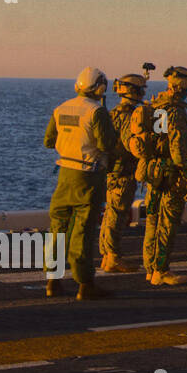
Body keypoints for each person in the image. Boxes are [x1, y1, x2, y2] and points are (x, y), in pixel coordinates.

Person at [43, 68, 118, 300]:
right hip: (88, 176)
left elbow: (48, 141)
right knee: (83, 230)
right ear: (101, 88)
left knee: (58, 229)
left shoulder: (61, 108)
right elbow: (107, 145)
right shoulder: (97, 112)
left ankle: (52, 282)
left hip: (64, 174)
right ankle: (85, 284)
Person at [132, 66, 187, 285]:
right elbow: (178, 151)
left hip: (153, 172)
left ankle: (150, 268)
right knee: (168, 223)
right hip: (171, 174)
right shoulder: (175, 112)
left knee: (152, 220)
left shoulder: (156, 106)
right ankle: (161, 270)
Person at [100, 72, 147, 273]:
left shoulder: (111, 113)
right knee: (117, 215)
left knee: (110, 213)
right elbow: (133, 146)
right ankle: (113, 257)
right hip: (123, 173)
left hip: (111, 173)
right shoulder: (129, 118)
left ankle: (106, 254)